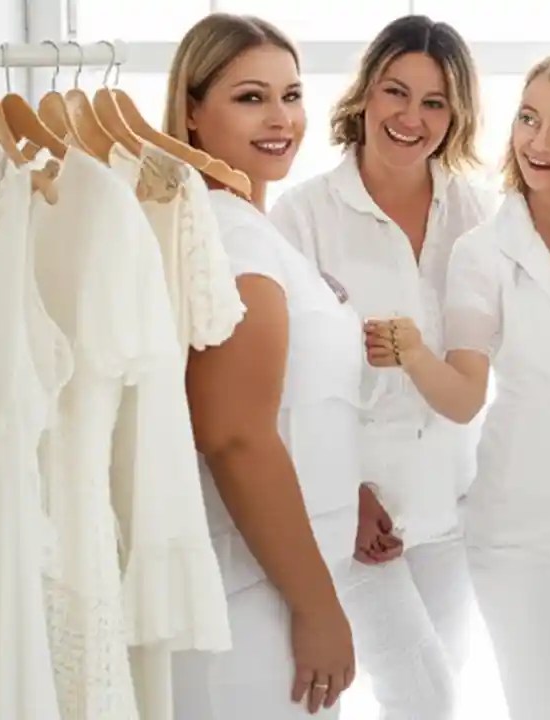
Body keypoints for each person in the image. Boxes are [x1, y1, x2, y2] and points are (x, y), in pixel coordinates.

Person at [364, 51, 550, 720]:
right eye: (528, 118)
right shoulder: (485, 252)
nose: (537, 143)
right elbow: (464, 397)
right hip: (518, 530)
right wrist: (413, 353)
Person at [269, 16, 489, 718]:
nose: (411, 117)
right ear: (365, 92)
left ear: (455, 116)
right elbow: (280, 385)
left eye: (434, 102)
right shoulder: (302, 216)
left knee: (434, 693)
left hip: (450, 506)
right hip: (352, 510)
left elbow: (477, 373)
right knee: (426, 699)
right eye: (396, 91)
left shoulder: (475, 215)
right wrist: (347, 492)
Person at [166, 14, 360, 719]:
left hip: (275, 583)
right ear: (192, 111)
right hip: (254, 598)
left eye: (291, 95)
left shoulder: (246, 228)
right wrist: (318, 607)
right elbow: (234, 436)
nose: (281, 119)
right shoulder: (230, 237)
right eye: (251, 97)